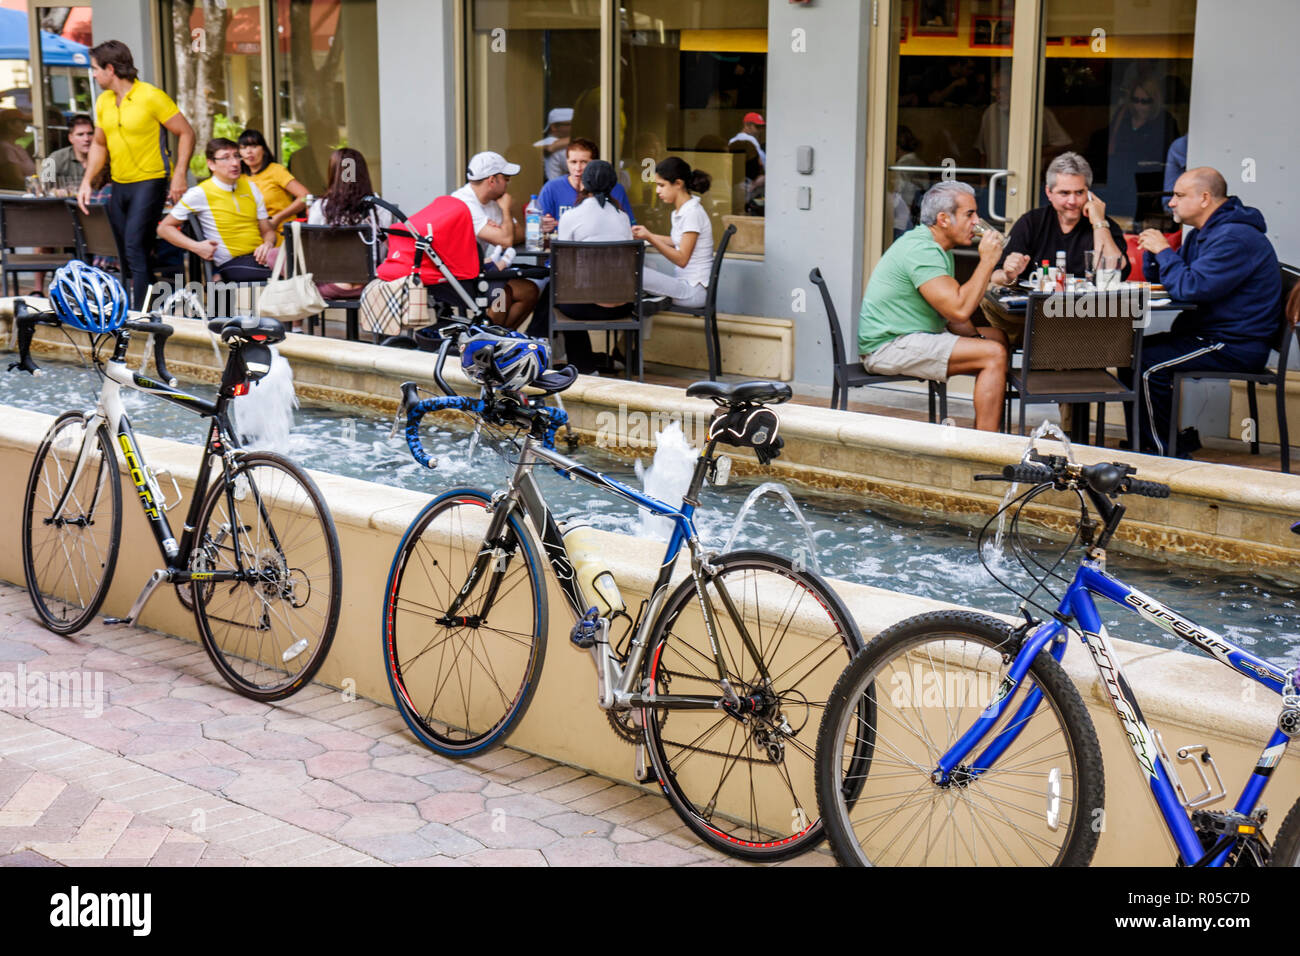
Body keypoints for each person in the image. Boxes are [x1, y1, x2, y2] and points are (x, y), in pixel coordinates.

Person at [1125, 167, 1282, 457]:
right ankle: (1147, 440)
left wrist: (1163, 252)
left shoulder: (1234, 238)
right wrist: (1154, 253)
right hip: (1207, 333)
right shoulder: (1203, 234)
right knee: (1128, 354)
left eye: (1179, 195)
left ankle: (1161, 453)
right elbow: (1175, 279)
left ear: (1205, 198)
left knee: (1147, 365)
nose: (1171, 202)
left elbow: (1190, 287)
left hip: (1234, 343)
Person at [857, 181, 1009, 432]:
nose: (977, 221)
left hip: (915, 334)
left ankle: (984, 427)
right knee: (993, 354)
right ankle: (987, 444)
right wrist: (987, 262)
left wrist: (976, 337)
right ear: (943, 219)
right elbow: (958, 310)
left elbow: (950, 313)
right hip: (888, 346)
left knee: (998, 338)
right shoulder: (922, 250)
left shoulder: (938, 247)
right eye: (969, 214)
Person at [77, 39, 195, 310]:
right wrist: (87, 181)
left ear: (110, 69)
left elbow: (186, 132)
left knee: (134, 246)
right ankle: (161, 302)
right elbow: (99, 143)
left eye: (95, 69)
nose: (93, 74)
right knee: (124, 250)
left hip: (150, 181)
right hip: (120, 184)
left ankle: (136, 316)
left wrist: (179, 175)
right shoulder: (104, 101)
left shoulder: (151, 96)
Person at [991, 152, 1128, 288]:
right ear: (1049, 192)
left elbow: (1113, 272)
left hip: (1088, 307)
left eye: (1079, 192)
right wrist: (1009, 275)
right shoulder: (1032, 222)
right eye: (1064, 193)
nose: (1072, 201)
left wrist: (1099, 222)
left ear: (1089, 193)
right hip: (1036, 306)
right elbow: (996, 275)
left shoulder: (1105, 226)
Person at [552, 159, 635, 374]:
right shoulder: (623, 218)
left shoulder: (571, 217)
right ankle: (585, 362)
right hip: (623, 305)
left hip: (584, 307)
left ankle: (581, 366)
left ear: (584, 183)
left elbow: (564, 266)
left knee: (556, 293)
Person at [156, 138, 275, 283]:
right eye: (225, 158)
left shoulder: (251, 188)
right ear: (211, 164)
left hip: (258, 258)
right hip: (231, 264)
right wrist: (196, 247)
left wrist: (267, 244)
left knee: (296, 260)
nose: (235, 163)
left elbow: (268, 231)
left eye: (237, 156)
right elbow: (164, 228)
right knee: (294, 269)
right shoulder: (200, 193)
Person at [450, 151, 539, 329]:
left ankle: (501, 339)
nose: (509, 183)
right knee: (501, 293)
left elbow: (519, 235)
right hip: (455, 277)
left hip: (477, 271)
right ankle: (487, 342)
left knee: (529, 291)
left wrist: (503, 229)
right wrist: (506, 211)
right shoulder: (464, 202)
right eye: (506, 178)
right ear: (492, 180)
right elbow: (507, 240)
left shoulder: (491, 202)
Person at [1090, 72, 1180, 224]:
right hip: (1119, 179)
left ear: (1155, 101)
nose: (1139, 105)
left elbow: (1169, 159)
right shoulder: (1122, 116)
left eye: (1145, 101)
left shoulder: (1165, 122)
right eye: (1135, 100)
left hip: (1146, 184)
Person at [306, 147, 392, 299]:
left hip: (331, 283)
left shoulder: (321, 207)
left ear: (333, 174)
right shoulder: (380, 207)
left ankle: (296, 323)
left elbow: (313, 248)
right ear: (363, 174)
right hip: (370, 282)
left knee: (278, 254)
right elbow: (384, 249)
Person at [629, 157, 714, 309]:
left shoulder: (692, 214)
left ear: (678, 184)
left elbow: (682, 259)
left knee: (632, 271)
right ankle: (654, 301)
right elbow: (676, 240)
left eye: (661, 185)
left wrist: (650, 237)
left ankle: (655, 300)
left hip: (693, 291)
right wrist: (644, 236)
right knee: (647, 265)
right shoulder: (682, 211)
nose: (657, 191)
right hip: (684, 285)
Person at [538, 138, 635, 236]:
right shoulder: (551, 188)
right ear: (566, 162)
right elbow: (535, 224)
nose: (578, 168)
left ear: (595, 164)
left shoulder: (614, 189)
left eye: (584, 162)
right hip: (563, 248)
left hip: (605, 248)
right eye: (573, 162)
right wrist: (541, 225)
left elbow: (630, 227)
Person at [237, 129, 309, 245]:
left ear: (264, 149)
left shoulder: (275, 170)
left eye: (254, 146)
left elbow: (305, 196)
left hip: (284, 236)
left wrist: (278, 218)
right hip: (255, 240)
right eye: (244, 148)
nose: (249, 151)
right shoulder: (239, 179)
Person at [41, 114, 95, 193]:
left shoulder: (105, 158)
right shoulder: (55, 158)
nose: (86, 139)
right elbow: (45, 189)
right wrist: (56, 192)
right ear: (71, 138)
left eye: (90, 133)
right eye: (80, 134)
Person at [533, 108, 573, 182]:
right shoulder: (562, 148)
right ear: (553, 127)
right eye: (570, 124)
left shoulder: (537, 144)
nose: (574, 127)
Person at [0, 108, 35, 191]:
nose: (25, 126)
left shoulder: (17, 147)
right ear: (10, 125)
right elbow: (15, 180)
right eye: (22, 122)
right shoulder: (5, 148)